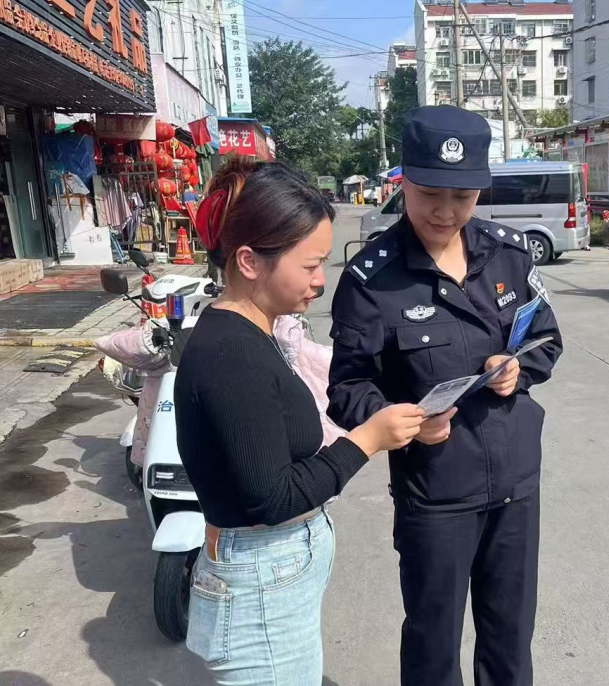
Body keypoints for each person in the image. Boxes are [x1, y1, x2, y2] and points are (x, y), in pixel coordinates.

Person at [328, 106, 563, 686]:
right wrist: (393, 418)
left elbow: (546, 337)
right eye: (430, 192)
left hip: (515, 483)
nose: (446, 211)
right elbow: (346, 384)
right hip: (434, 494)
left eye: (463, 197)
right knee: (433, 643)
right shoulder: (371, 279)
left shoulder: (508, 253)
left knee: (510, 636)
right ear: (403, 181)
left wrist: (517, 369)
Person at [173, 157, 426, 685]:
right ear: (249, 261)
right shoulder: (230, 353)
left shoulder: (251, 333)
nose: (319, 281)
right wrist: (367, 440)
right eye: (310, 265)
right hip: (260, 584)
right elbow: (274, 497)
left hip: (270, 575)